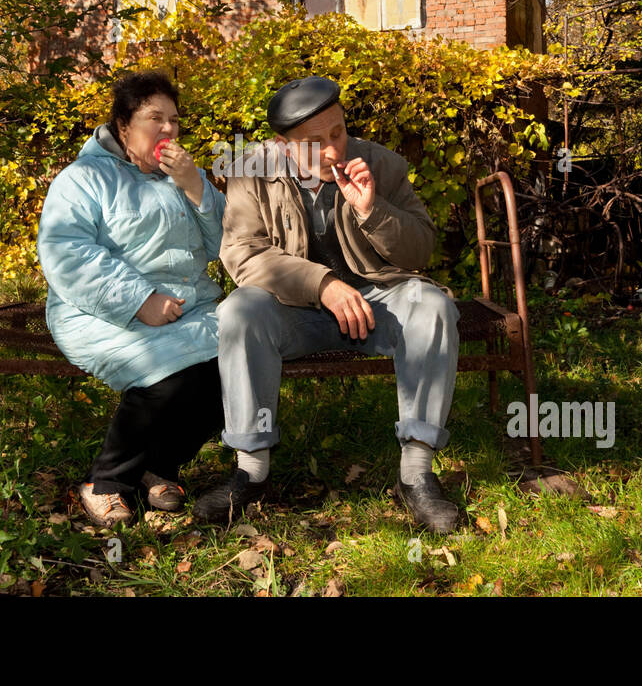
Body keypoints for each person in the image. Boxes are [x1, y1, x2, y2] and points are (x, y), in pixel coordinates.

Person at [195, 75, 462, 533]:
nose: (334, 152)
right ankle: (251, 472)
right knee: (239, 310)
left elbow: (422, 252)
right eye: (314, 144)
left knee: (433, 305)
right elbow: (242, 254)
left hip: (378, 304)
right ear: (282, 145)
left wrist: (372, 211)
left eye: (337, 133)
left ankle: (416, 475)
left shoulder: (381, 163)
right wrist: (322, 285)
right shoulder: (249, 170)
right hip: (294, 311)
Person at [37, 71, 226, 528]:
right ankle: (104, 483)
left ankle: (159, 467)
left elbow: (227, 244)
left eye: (175, 121)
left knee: (237, 363)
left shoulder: (185, 175)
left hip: (186, 305)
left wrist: (195, 187)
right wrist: (140, 299)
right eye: (154, 118)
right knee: (165, 374)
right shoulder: (83, 178)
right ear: (123, 126)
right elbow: (67, 252)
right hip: (99, 308)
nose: (168, 130)